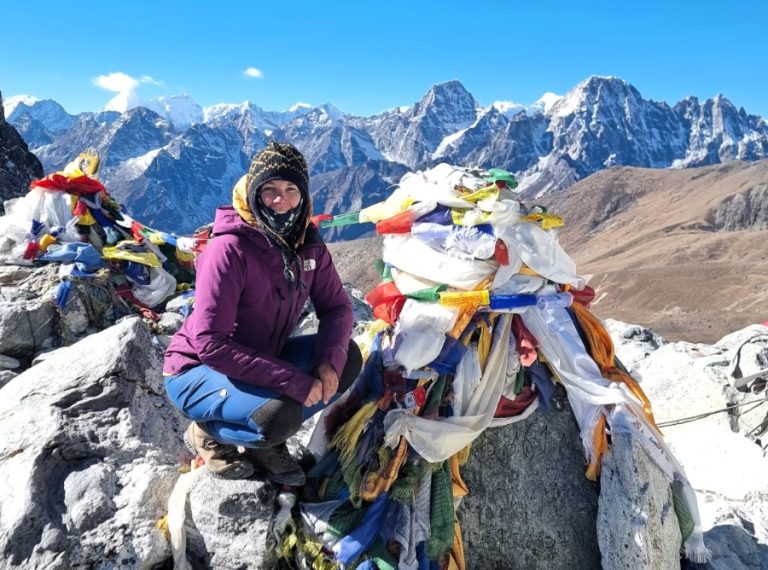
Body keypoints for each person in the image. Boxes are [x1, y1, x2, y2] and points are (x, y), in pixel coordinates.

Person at [163, 142, 361, 484]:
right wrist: (292, 381)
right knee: (278, 417)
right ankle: (208, 433)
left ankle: (260, 437)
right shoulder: (228, 250)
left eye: (290, 190)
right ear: (253, 193)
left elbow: (336, 307)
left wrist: (329, 360)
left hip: (260, 356)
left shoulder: (305, 243)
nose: (280, 200)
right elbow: (211, 345)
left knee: (348, 360)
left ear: (304, 196)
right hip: (198, 370)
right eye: (269, 190)